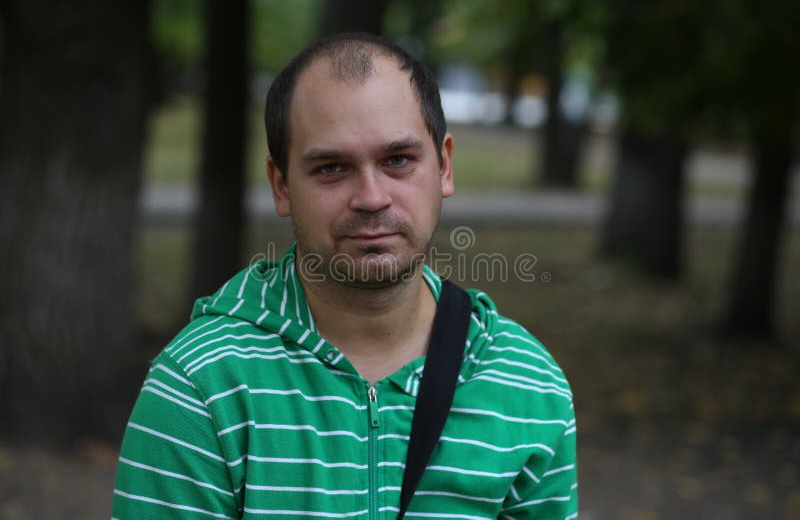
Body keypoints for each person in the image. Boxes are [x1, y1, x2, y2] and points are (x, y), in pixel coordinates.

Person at [112, 33, 578, 519]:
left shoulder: (527, 385)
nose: (372, 197)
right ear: (282, 185)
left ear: (443, 166)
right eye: (332, 168)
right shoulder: (202, 385)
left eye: (398, 160)